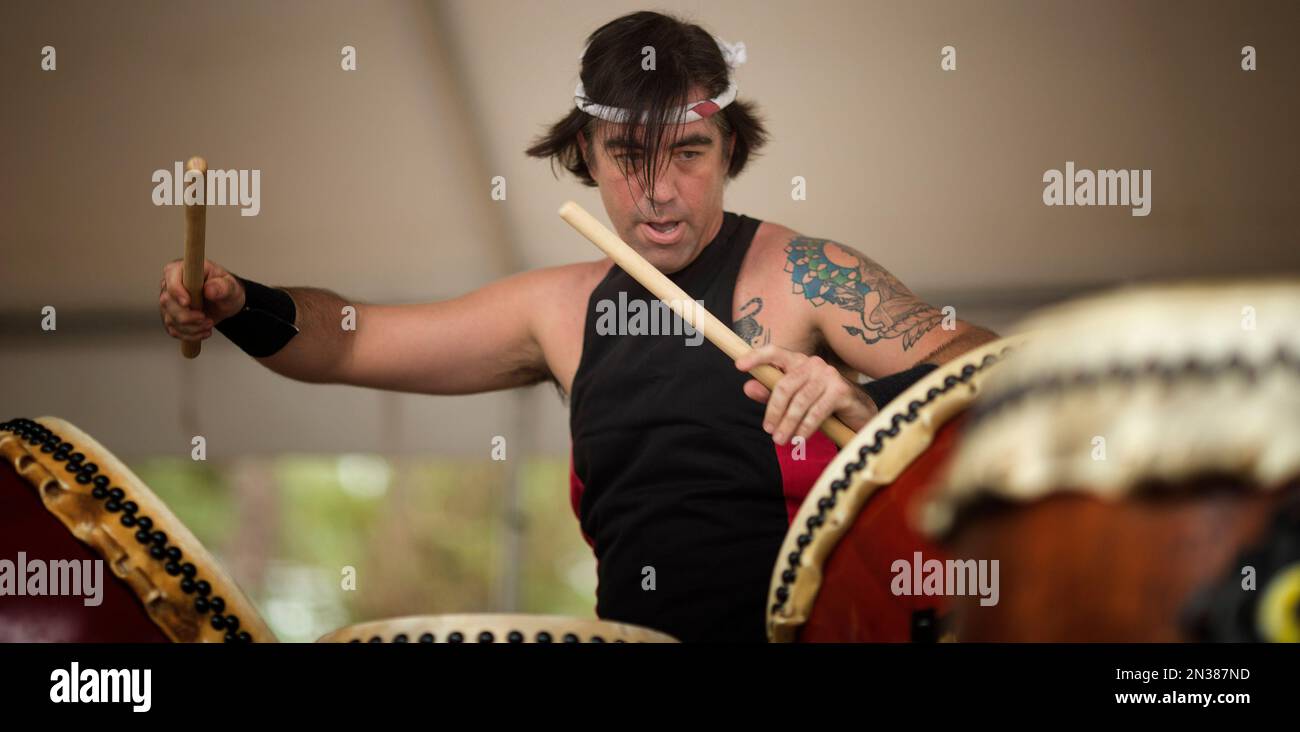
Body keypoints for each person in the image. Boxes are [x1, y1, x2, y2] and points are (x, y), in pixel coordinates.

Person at [158, 10, 997, 642]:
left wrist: (860, 390)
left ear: (730, 148)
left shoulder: (805, 273)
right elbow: (348, 340)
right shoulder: (554, 309)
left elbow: (989, 365)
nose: (658, 190)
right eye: (629, 156)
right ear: (585, 155)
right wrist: (241, 303)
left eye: (689, 153)